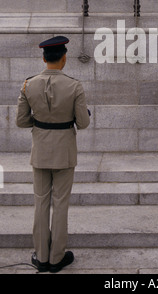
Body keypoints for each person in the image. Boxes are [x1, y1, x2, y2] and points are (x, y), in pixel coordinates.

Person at [16, 36, 90, 273]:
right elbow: (84, 123)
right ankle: (57, 257)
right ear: (64, 58)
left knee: (40, 203)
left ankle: (42, 256)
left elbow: (21, 121)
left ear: (44, 58)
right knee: (60, 205)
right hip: (64, 152)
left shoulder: (28, 84)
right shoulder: (74, 85)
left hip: (40, 151)